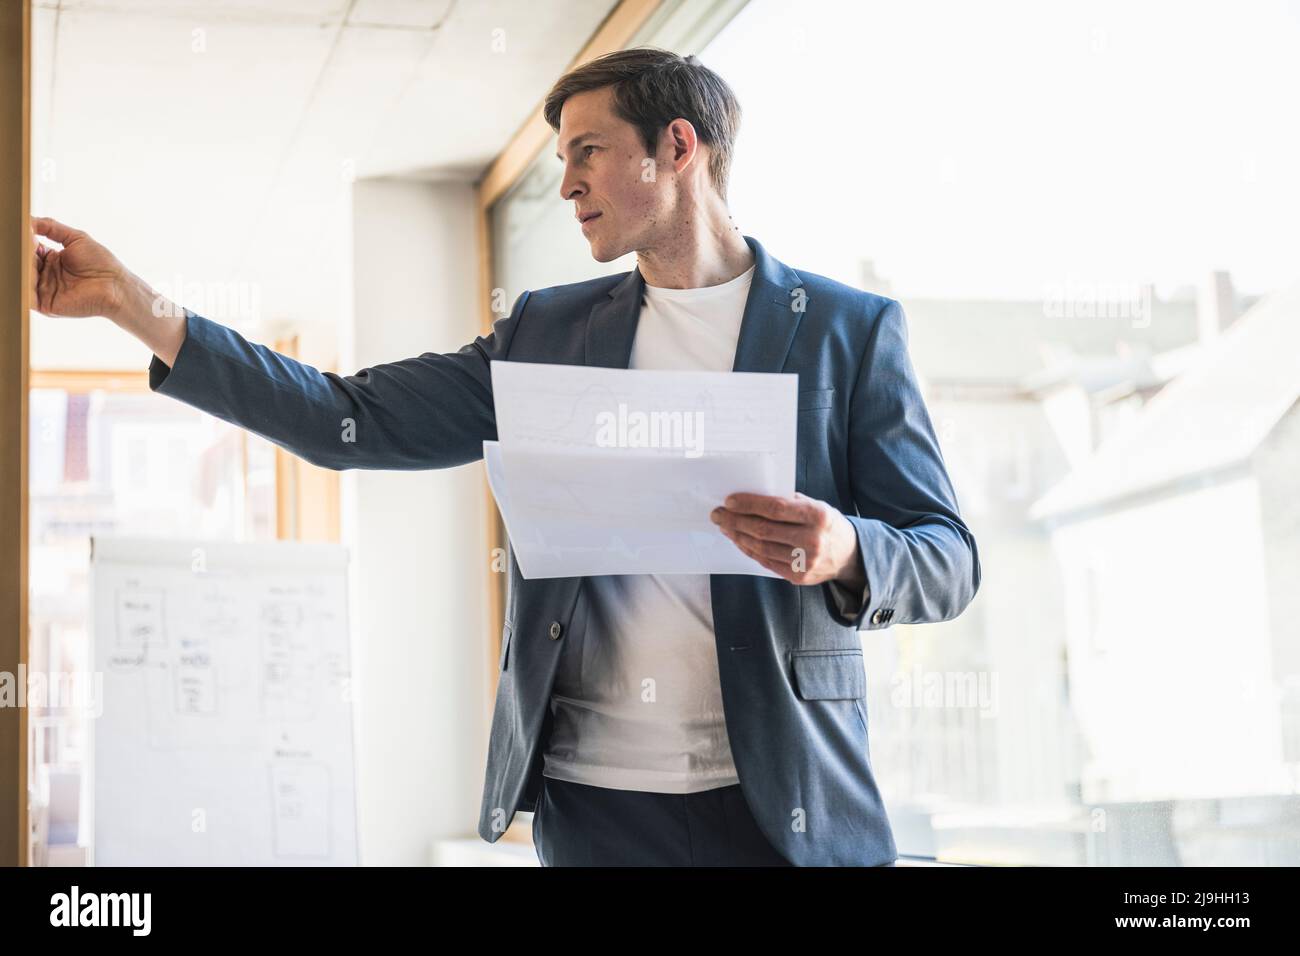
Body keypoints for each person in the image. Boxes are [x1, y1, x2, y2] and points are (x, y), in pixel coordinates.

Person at [31, 47, 980, 867]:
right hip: (597, 813)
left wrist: (849, 548)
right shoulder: (545, 335)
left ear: (678, 148)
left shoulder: (847, 333)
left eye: (588, 152)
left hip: (788, 810)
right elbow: (343, 417)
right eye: (562, 159)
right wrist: (132, 306)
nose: (566, 183)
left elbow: (949, 557)